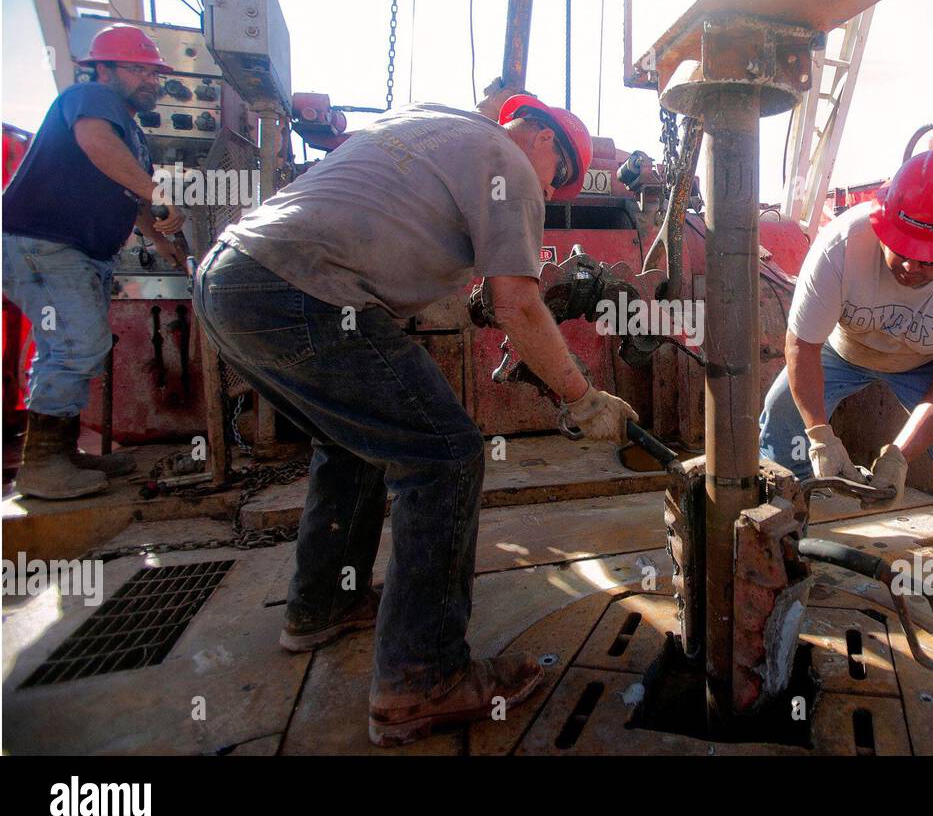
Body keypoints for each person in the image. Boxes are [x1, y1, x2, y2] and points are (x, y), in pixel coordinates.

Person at [192, 94, 638, 746]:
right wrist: (582, 397)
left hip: (231, 282)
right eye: (555, 174)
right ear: (539, 136)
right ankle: (423, 679)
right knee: (445, 456)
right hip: (302, 288)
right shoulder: (507, 163)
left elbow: (477, 286)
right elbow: (516, 301)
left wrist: (510, 314)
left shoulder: (425, 125)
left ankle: (323, 603)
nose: (548, 188)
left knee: (354, 442)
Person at [759, 147, 933, 606]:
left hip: (929, 363)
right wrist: (819, 436)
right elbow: (803, 347)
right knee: (781, 413)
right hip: (843, 349)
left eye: (930, 261)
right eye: (904, 250)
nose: (911, 266)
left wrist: (899, 456)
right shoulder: (841, 245)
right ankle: (781, 524)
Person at [3, 24, 186, 499]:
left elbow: (131, 191)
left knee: (71, 343)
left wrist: (162, 242)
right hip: (43, 241)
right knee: (77, 341)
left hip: (76, 251)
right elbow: (97, 145)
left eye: (154, 73)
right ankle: (42, 465)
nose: (152, 81)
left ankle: (59, 452)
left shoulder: (134, 133)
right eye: (140, 70)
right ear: (103, 69)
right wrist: (158, 192)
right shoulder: (91, 99)